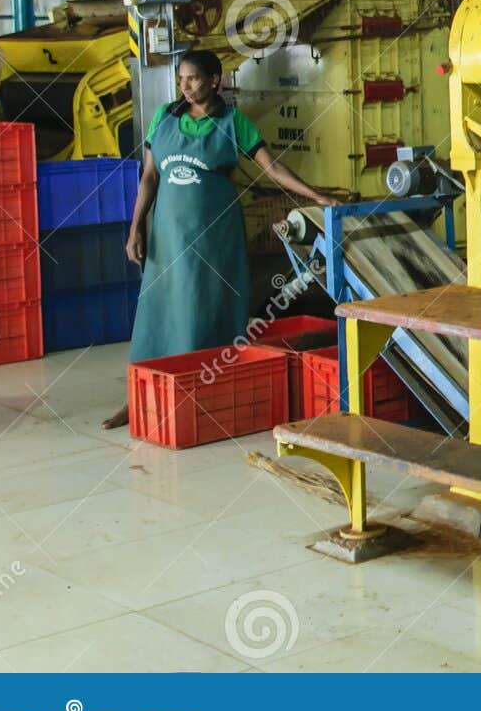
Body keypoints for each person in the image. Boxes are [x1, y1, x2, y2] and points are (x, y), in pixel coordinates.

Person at [104, 50, 336, 429]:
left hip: (215, 239)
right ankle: (139, 398)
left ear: (215, 80)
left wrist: (314, 196)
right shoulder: (164, 118)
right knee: (158, 312)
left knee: (204, 311)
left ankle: (201, 394)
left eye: (193, 78)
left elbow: (272, 167)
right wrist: (135, 229)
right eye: (181, 80)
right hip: (167, 236)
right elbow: (149, 178)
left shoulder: (233, 123)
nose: (185, 86)